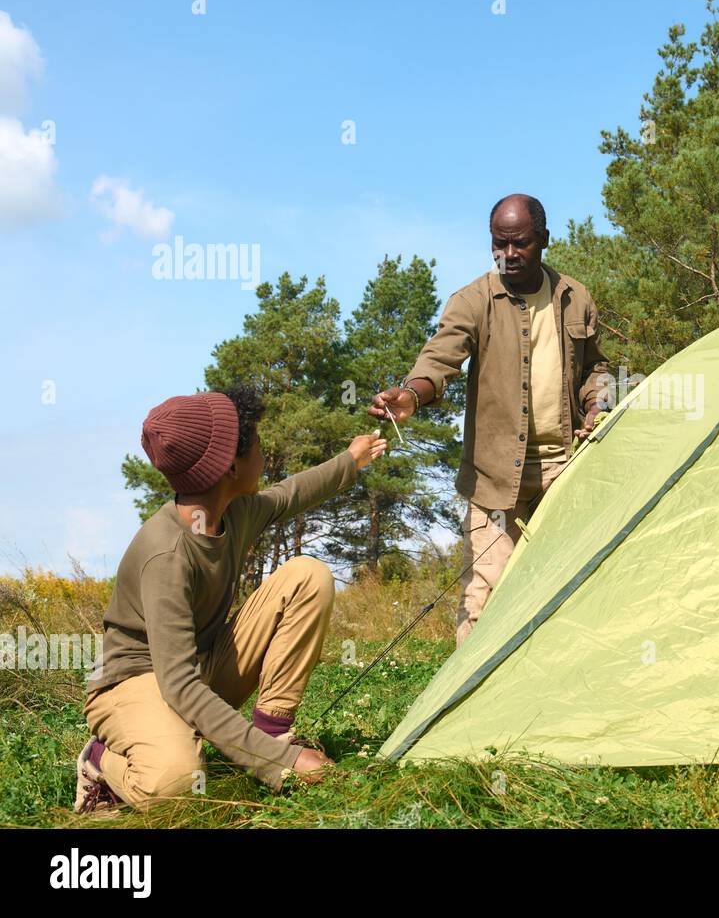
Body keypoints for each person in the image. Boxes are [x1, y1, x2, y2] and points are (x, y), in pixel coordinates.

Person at [76, 386, 387, 813]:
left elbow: (291, 494)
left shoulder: (233, 511)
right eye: (257, 445)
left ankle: (273, 731)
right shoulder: (165, 555)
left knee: (307, 575)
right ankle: (100, 762)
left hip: (196, 667)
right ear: (231, 467)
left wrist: (352, 460)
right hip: (134, 682)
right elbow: (179, 685)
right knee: (176, 784)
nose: (264, 452)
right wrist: (279, 765)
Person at [368, 194, 609, 645]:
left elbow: (597, 369)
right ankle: (468, 707)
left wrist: (599, 404)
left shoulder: (576, 299)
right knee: (486, 598)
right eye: (499, 244)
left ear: (544, 240)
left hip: (565, 471)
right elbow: (438, 361)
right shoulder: (474, 300)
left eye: (520, 244)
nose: (508, 255)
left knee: (569, 591)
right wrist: (411, 396)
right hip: (494, 479)